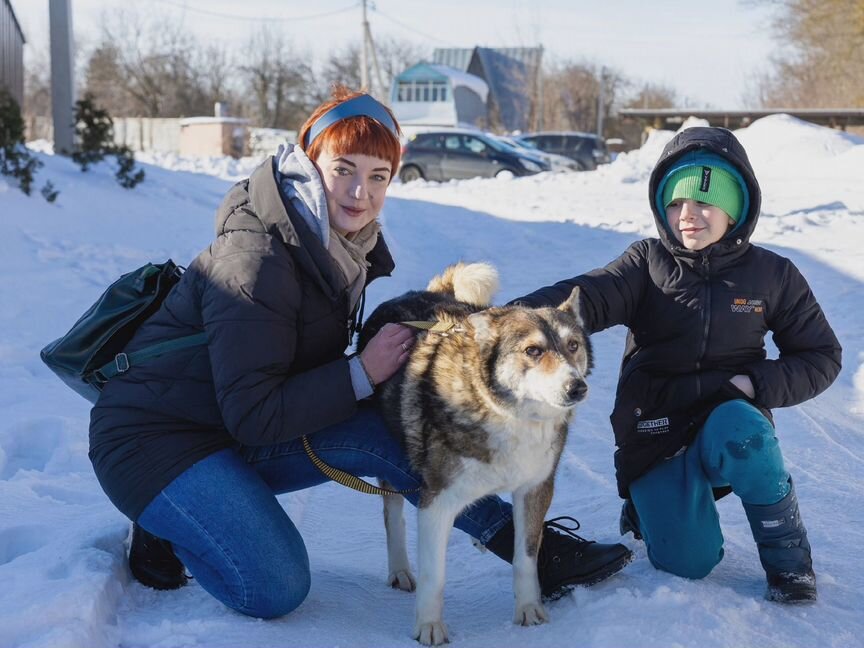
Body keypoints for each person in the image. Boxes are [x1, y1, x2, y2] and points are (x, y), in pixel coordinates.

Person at [88, 87, 632, 619]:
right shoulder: (256, 262)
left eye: (378, 176)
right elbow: (255, 411)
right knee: (275, 588)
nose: (359, 192)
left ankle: (526, 546)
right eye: (343, 168)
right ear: (309, 161)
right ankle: (167, 523)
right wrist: (361, 372)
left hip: (229, 428)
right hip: (156, 445)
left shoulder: (339, 246)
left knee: (384, 433)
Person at [513, 126, 841, 604]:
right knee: (690, 563)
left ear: (735, 206)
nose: (687, 216)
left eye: (705, 202)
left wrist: (756, 383)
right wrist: (513, 318)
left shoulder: (772, 275)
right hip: (656, 429)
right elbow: (590, 296)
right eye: (676, 203)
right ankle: (649, 511)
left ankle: (790, 566)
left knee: (745, 435)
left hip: (727, 417)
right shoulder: (647, 263)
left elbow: (822, 355)